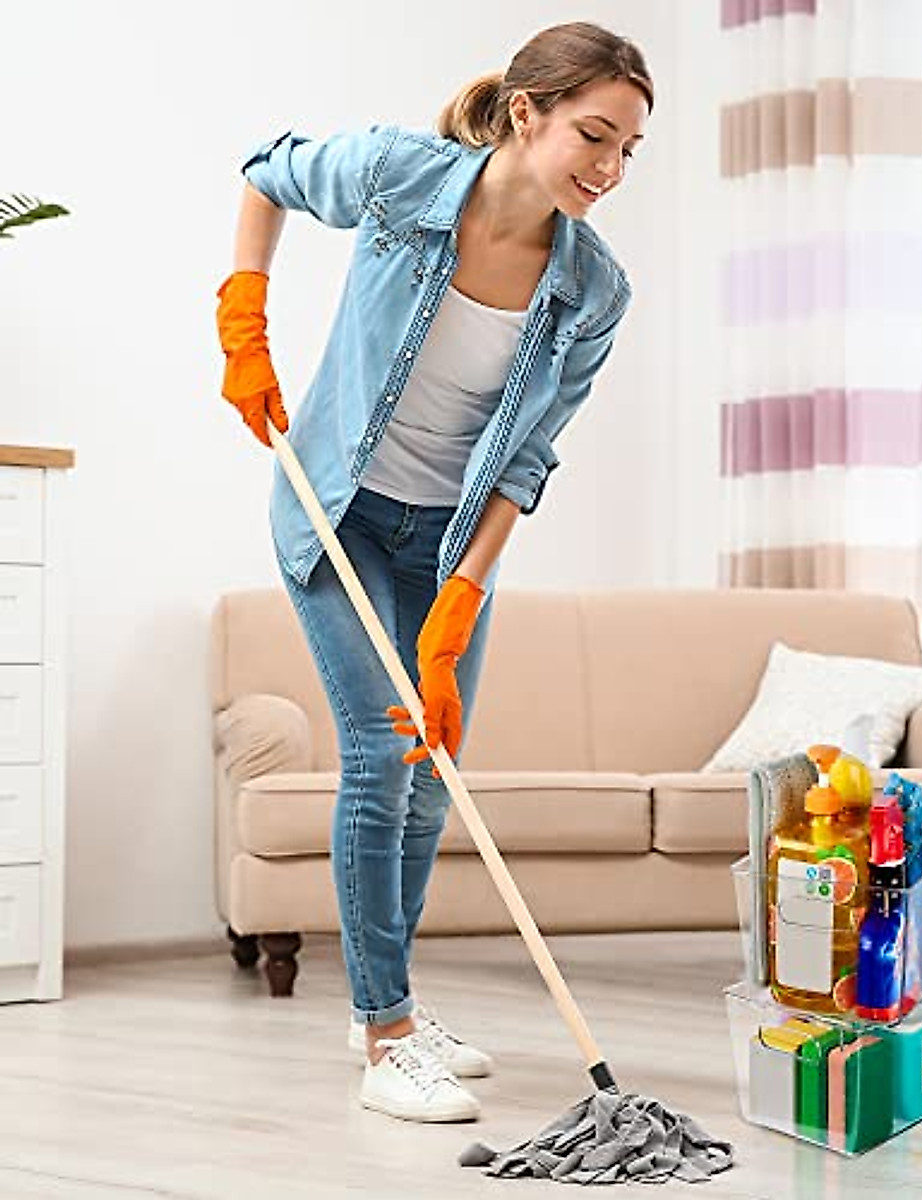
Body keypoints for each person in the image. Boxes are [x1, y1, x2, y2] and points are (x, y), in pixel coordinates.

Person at [215, 22, 653, 1124]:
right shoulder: (398, 175)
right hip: (338, 510)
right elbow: (267, 176)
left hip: (449, 542)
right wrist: (244, 319)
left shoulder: (594, 291)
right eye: (593, 135)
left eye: (628, 150)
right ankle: (386, 1040)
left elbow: (525, 458)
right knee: (379, 753)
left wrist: (464, 597)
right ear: (526, 115)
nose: (607, 168)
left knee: (428, 775)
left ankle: (385, 1005)